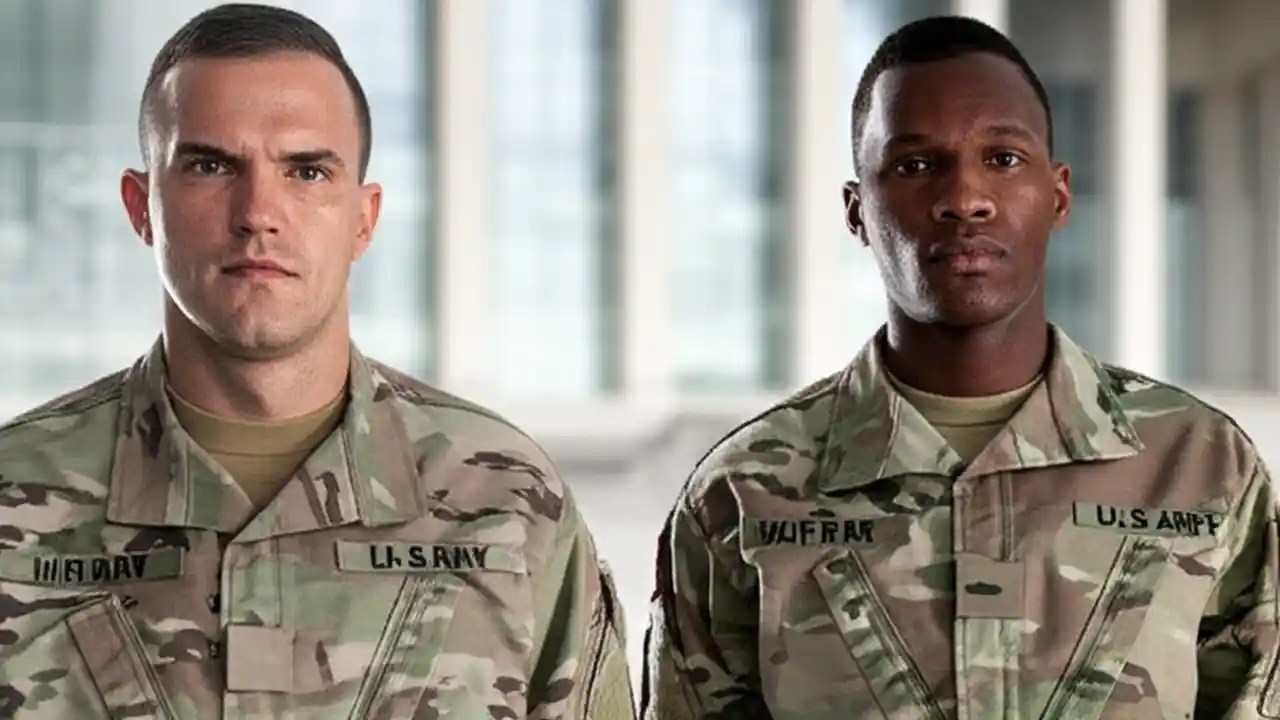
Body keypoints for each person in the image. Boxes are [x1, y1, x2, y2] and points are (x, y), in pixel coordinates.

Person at [0, 4, 634, 718]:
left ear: (364, 219)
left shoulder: (507, 502)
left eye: (306, 171)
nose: (258, 212)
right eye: (210, 165)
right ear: (140, 204)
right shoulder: (14, 493)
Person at [642, 15, 1279, 720]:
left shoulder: (1200, 466)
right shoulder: (743, 492)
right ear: (857, 210)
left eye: (1002, 158)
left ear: (1059, 196)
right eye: (915, 166)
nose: (963, 199)